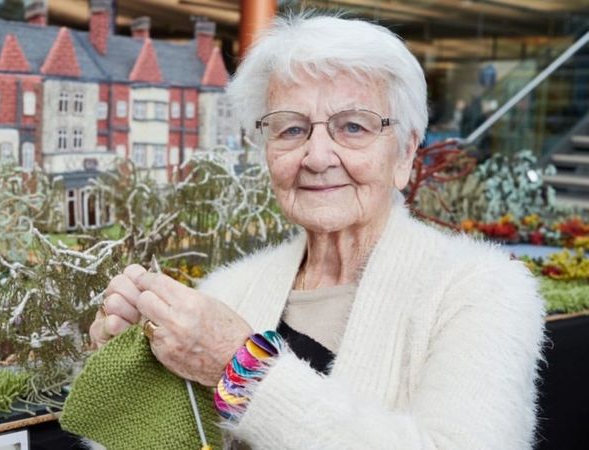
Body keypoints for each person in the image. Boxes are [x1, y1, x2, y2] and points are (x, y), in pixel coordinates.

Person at [89, 13, 544, 449]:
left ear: (405, 154)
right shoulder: (228, 292)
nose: (317, 156)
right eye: (291, 129)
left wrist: (242, 367)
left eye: (353, 126)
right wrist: (132, 376)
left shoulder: (481, 292)